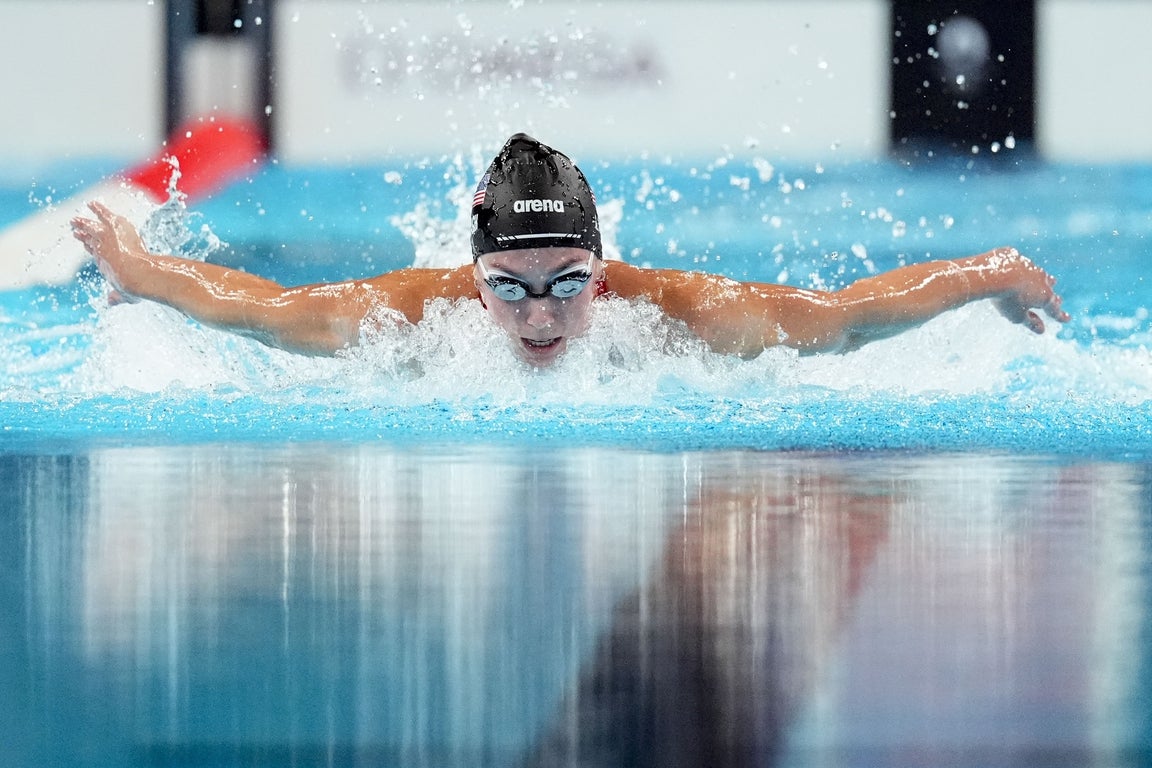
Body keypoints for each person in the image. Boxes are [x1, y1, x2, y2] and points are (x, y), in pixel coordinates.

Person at [70, 133, 1068, 367]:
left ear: (603, 262)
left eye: (565, 284)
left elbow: (848, 317)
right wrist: (142, 272)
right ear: (473, 274)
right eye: (509, 288)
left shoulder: (680, 313)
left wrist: (993, 275)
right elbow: (254, 305)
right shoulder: (418, 313)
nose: (539, 315)